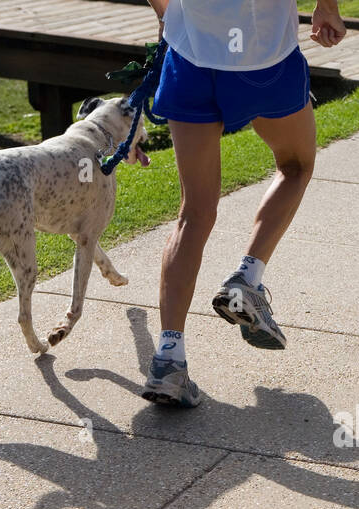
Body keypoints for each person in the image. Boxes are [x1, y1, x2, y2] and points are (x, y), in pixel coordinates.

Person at [140, 0, 346, 406]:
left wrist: (165, 15)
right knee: (295, 166)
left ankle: (168, 361)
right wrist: (327, 8)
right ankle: (247, 279)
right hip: (264, 59)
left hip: (190, 60)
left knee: (193, 214)